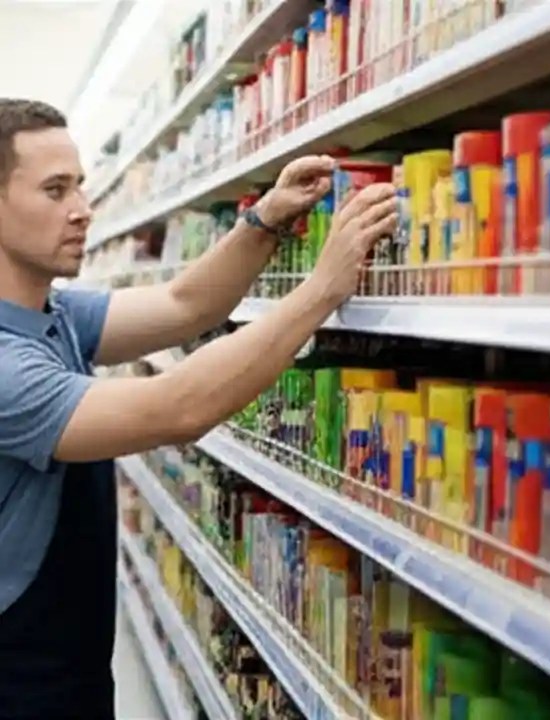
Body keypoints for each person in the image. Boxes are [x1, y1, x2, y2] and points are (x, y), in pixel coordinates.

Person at [0, 98, 397, 717]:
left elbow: (187, 305)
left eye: (79, 185)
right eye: (55, 191)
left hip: (68, 660)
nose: (82, 210)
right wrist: (321, 290)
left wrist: (262, 221)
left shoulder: (51, 314)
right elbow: (177, 406)